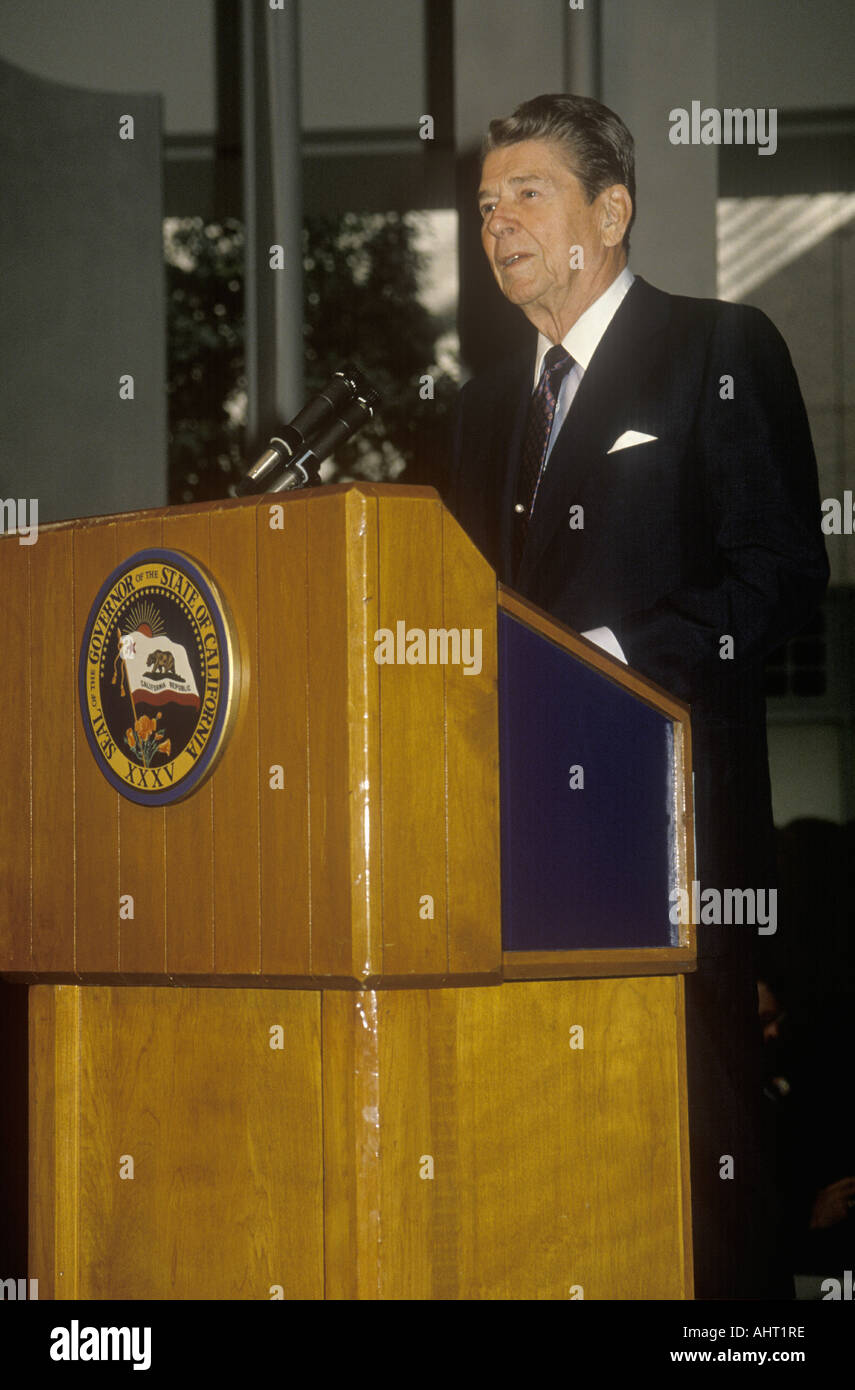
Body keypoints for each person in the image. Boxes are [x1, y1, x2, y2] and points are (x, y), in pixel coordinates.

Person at [446, 93, 829, 1298]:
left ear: (610, 213)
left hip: (671, 834)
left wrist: (605, 652)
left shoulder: (720, 347)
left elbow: (780, 575)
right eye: (485, 205)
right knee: (548, 1137)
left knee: (695, 1143)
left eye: (528, 195)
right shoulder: (477, 411)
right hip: (520, 845)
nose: (497, 223)